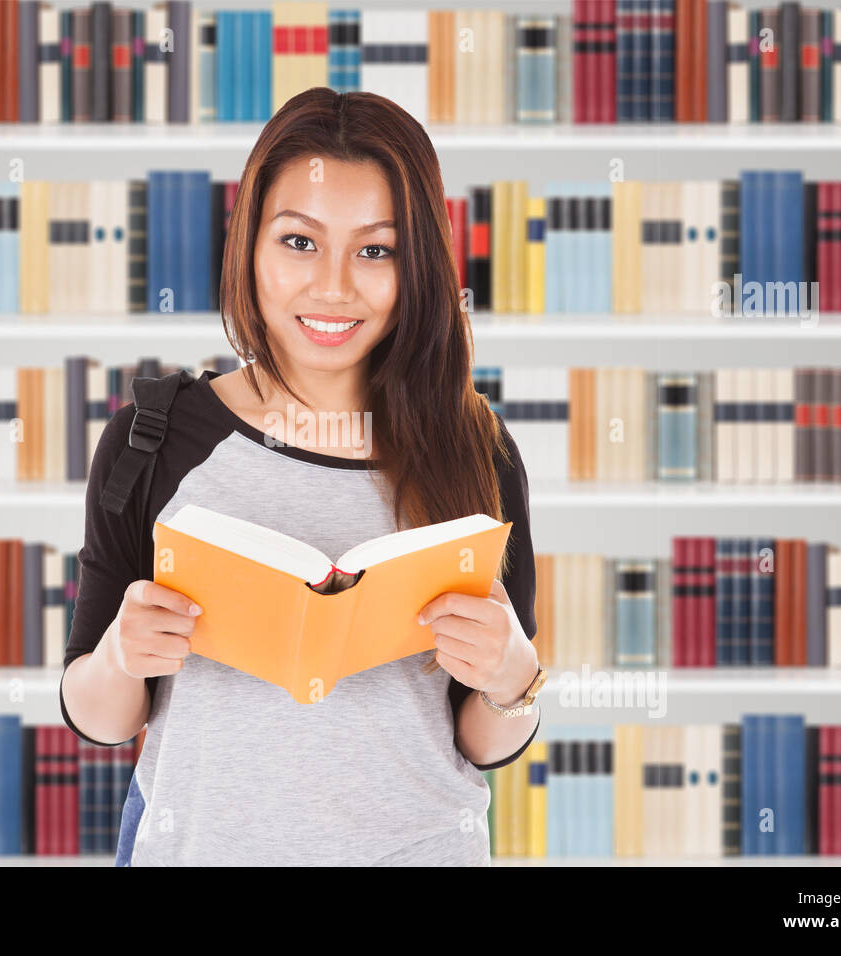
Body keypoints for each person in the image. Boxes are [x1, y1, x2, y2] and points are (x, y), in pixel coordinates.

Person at [60, 88, 541, 866]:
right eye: (299, 242)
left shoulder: (476, 449)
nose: (333, 288)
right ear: (249, 245)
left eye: (376, 250)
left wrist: (513, 674)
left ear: (417, 266)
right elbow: (98, 717)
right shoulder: (151, 440)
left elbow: (485, 744)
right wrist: (120, 655)